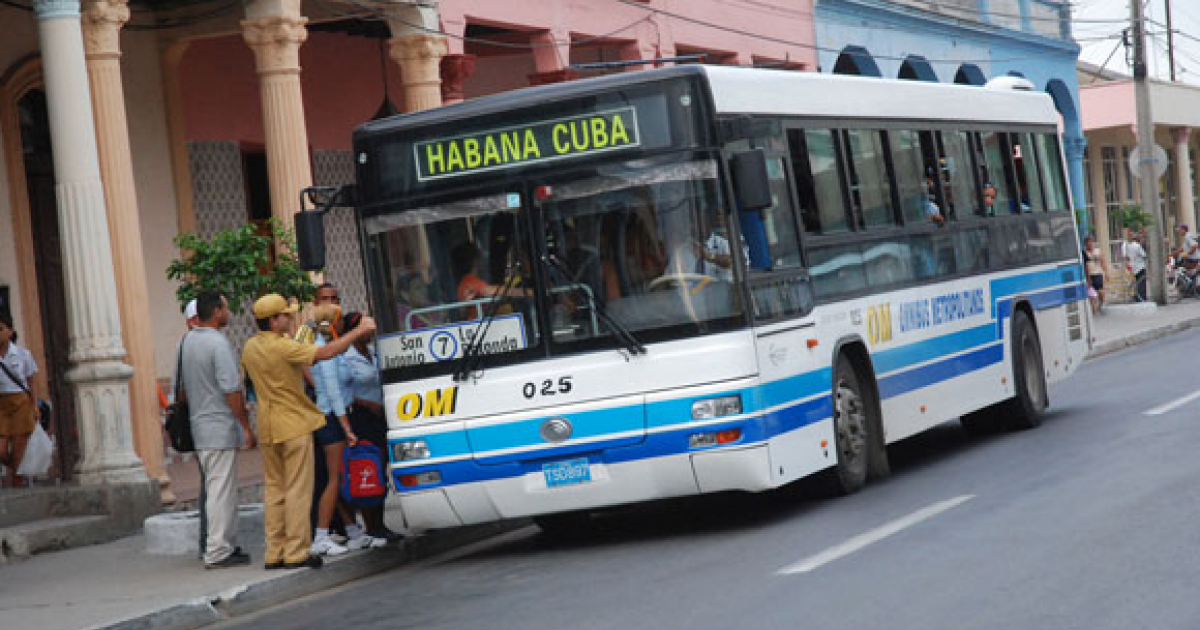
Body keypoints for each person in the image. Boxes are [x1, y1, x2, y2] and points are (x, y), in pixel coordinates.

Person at [241, 294, 375, 570]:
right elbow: (323, 353)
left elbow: (295, 346)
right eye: (286, 316)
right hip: (293, 425)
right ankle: (296, 551)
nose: (290, 319)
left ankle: (274, 552)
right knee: (298, 490)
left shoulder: (251, 347)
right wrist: (357, 333)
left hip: (267, 426)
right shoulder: (282, 347)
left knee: (274, 491)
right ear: (275, 320)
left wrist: (311, 323)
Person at [179, 292, 256, 569]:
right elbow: (232, 389)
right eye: (225, 307)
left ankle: (222, 546)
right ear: (216, 311)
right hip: (218, 426)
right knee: (221, 491)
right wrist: (245, 426)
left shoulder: (187, 342)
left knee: (216, 488)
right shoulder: (218, 343)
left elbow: (182, 391)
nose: (229, 311)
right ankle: (218, 551)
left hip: (200, 425)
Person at [339, 311, 400, 545]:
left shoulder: (374, 354)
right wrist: (365, 403)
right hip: (361, 418)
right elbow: (344, 391)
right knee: (367, 469)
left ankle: (380, 524)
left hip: (380, 418)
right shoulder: (346, 357)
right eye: (366, 328)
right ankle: (370, 526)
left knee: (381, 470)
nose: (371, 332)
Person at [0, 315, 39, 488]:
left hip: (21, 401)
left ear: (10, 332)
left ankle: (18, 480)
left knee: (18, 445)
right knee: (1, 450)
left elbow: (31, 381)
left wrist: (35, 405)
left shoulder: (23, 354)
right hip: (2, 403)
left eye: (0, 329)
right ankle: (18, 469)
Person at [1083, 236, 1105, 314]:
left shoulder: (1097, 251)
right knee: (1092, 295)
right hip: (1090, 275)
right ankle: (1094, 311)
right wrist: (1087, 277)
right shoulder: (1084, 253)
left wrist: (1106, 271)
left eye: (1090, 242)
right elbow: (1085, 265)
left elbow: (1102, 261)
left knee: (1101, 292)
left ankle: (1101, 305)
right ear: (1085, 244)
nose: (1089, 244)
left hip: (1098, 273)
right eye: (1087, 243)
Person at [1124, 232, 1147, 302]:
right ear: (1137, 239)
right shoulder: (1138, 246)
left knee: (1137, 282)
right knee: (1142, 282)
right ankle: (1142, 297)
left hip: (1133, 267)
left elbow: (1127, 257)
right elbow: (1144, 255)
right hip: (1140, 267)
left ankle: (1137, 296)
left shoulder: (1128, 246)